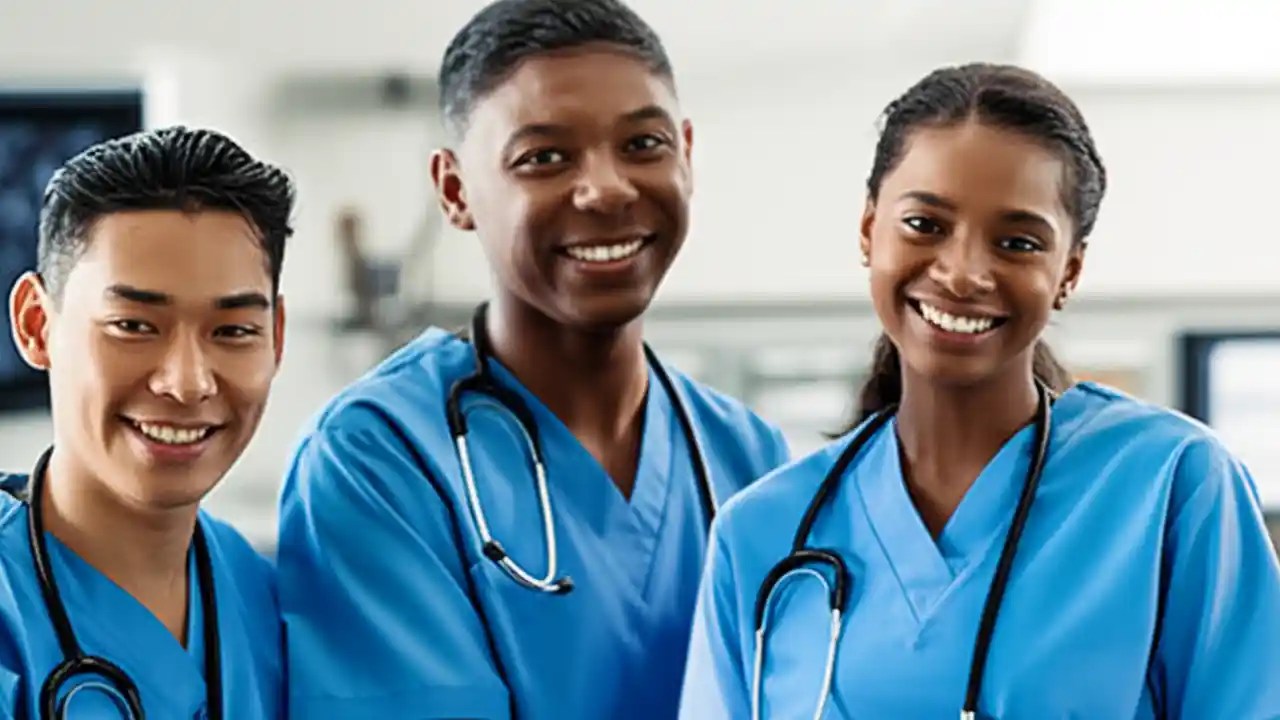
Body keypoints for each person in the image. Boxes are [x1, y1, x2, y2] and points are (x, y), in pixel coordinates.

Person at [678, 63, 1280, 720]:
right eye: (924, 225)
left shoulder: (1169, 484)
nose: (963, 273)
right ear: (867, 229)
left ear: (1067, 272)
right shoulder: (764, 533)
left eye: (1018, 242)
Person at [274, 0, 791, 718]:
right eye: (543, 157)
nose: (606, 188)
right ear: (456, 190)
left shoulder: (746, 459)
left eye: (643, 144)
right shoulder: (379, 457)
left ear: (688, 155)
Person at [0, 126, 293, 718]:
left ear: (276, 338)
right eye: (133, 326)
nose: (187, 383)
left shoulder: (263, 598)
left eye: (233, 331)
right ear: (37, 325)